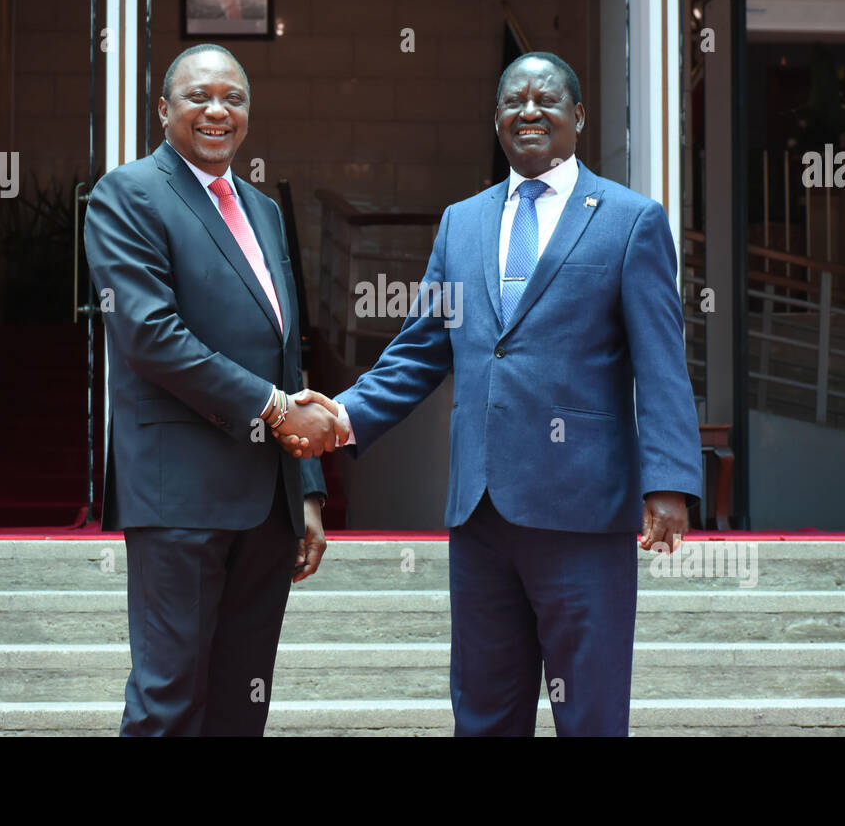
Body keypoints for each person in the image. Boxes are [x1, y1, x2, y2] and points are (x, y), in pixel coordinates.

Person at [283, 52, 702, 736]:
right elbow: (421, 349)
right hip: (481, 516)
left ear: (579, 116)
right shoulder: (463, 223)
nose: (528, 111)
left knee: (591, 715)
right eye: (513, 101)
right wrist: (342, 417)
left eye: (545, 100)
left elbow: (661, 363)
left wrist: (670, 481)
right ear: (497, 119)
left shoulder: (630, 220)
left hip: (583, 514)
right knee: (482, 716)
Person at [83, 43, 346, 736]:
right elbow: (150, 335)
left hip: (267, 503)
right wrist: (274, 408)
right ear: (164, 109)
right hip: (182, 497)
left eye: (233, 98)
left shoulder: (261, 209)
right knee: (170, 699)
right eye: (199, 96)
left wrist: (309, 490)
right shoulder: (128, 194)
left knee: (241, 704)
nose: (217, 111)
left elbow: (288, 351)